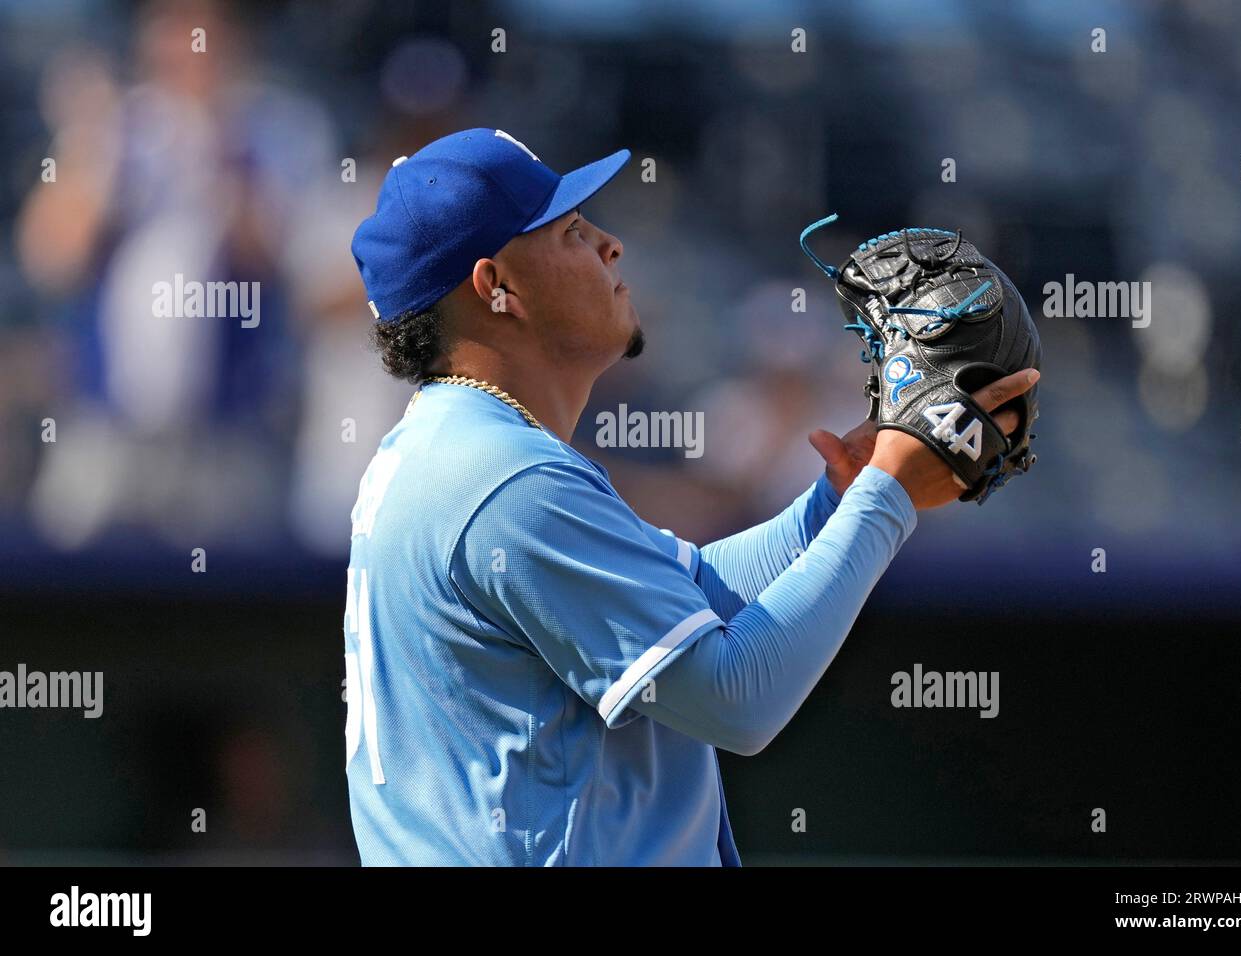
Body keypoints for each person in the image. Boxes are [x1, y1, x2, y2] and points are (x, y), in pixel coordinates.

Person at [343, 127, 1039, 865]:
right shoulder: (503, 479)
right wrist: (891, 495)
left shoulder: (460, 447)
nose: (611, 244)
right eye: (572, 231)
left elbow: (696, 592)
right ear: (495, 287)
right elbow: (736, 699)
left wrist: (841, 499)